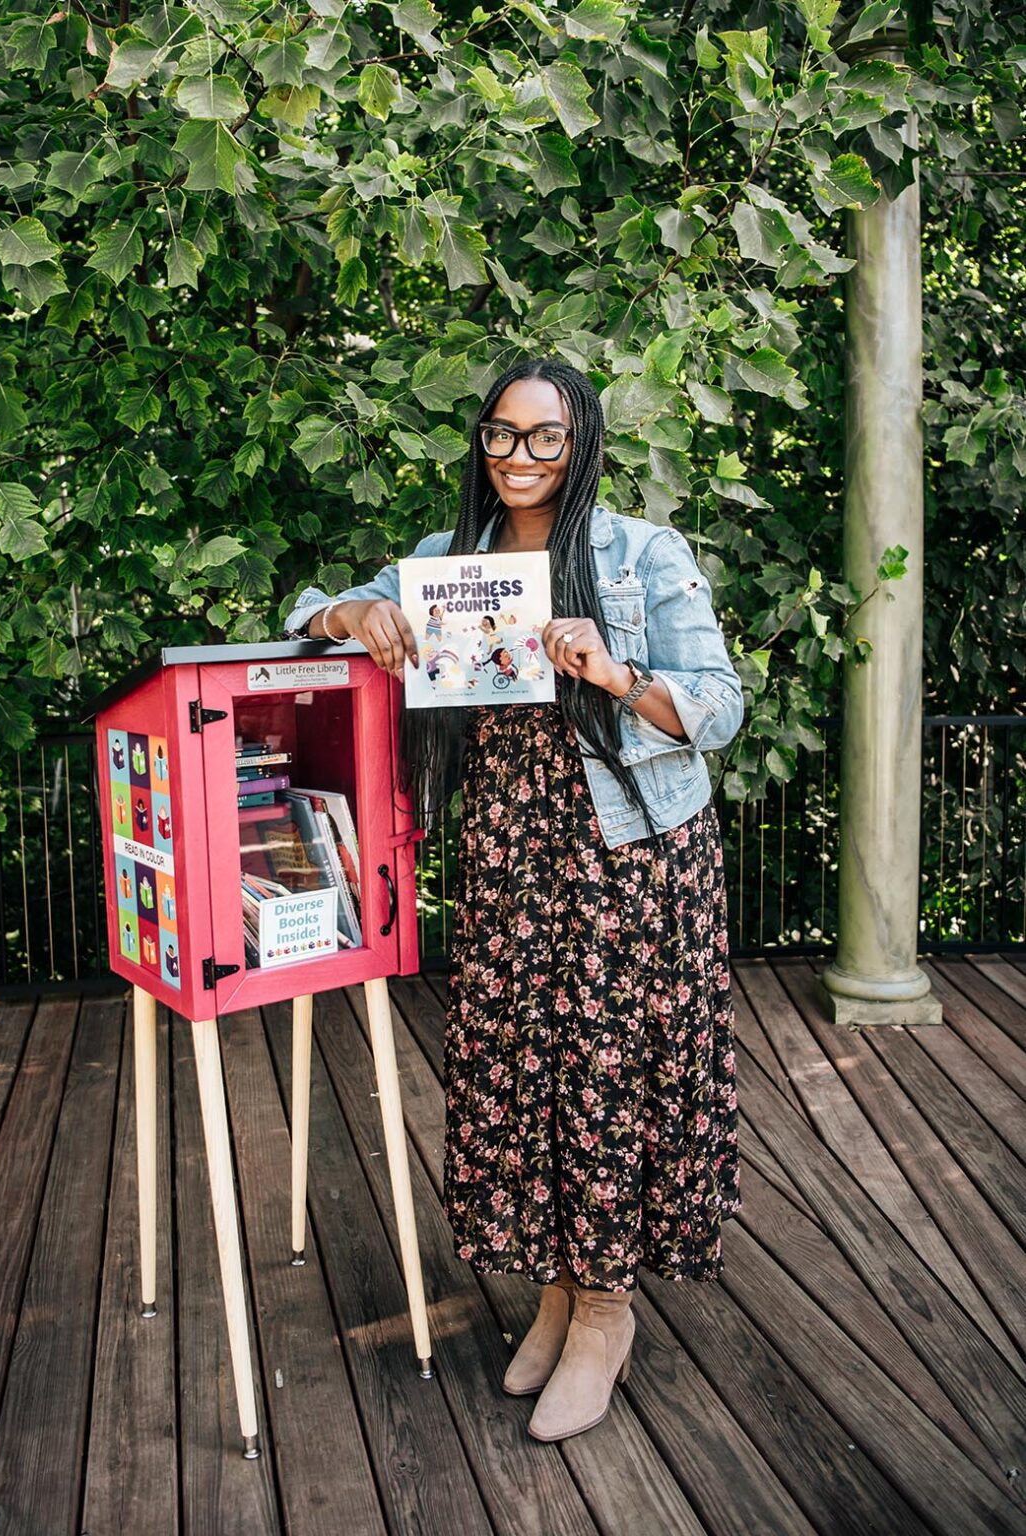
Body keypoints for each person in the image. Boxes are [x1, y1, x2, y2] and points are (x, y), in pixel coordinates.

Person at [281, 357, 743, 1443]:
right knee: (522, 1067)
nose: (519, 456)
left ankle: (607, 1311)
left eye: (545, 437)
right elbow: (303, 615)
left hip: (631, 855)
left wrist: (617, 673)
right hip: (510, 853)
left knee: (608, 1073)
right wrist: (357, 614)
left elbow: (721, 708)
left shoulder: (641, 554)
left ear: (581, 444)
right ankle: (557, 1291)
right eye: (501, 433)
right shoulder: (449, 560)